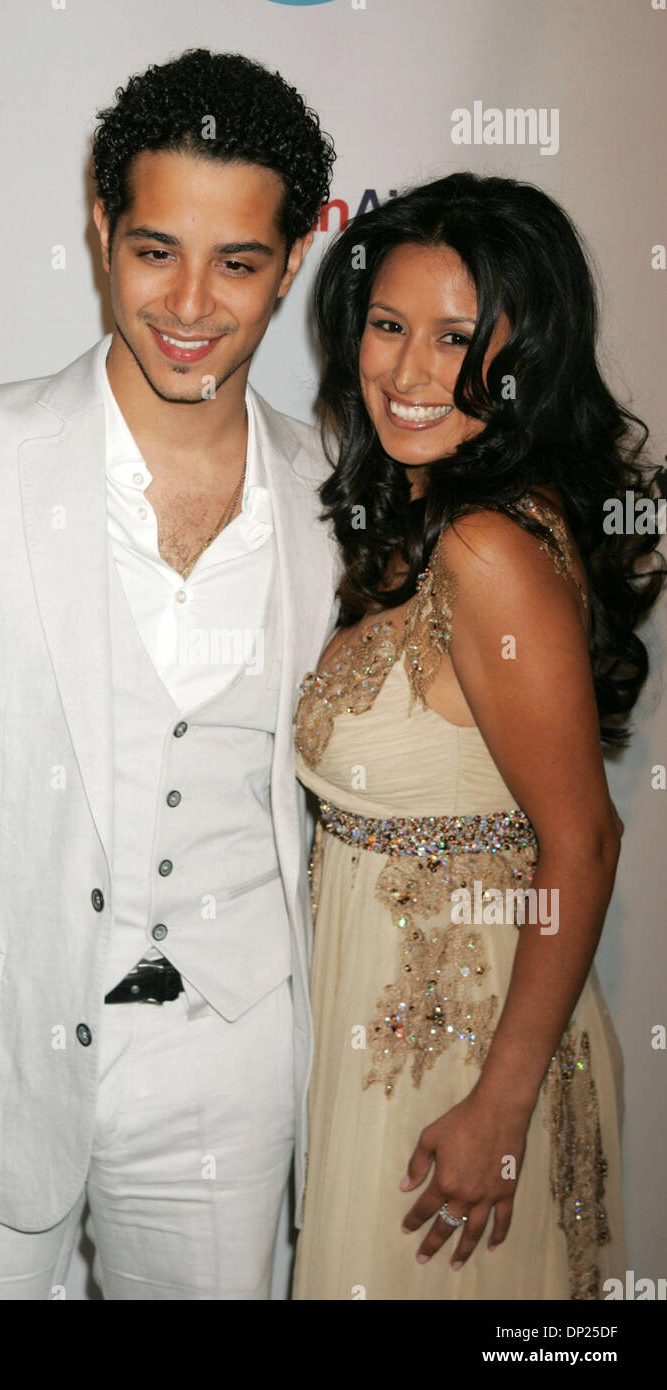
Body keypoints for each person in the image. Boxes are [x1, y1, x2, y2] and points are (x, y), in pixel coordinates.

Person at [0, 48, 341, 1300]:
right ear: (99, 228)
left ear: (294, 259)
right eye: (154, 249)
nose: (190, 302)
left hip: (228, 1069)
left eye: (238, 262)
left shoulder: (339, 498)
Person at [290, 172, 666, 1300]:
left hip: (458, 1066)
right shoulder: (424, 509)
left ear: (525, 356)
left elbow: (582, 843)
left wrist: (499, 1109)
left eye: (457, 339)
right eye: (389, 326)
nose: (407, 373)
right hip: (391, 1035)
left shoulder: (486, 551)